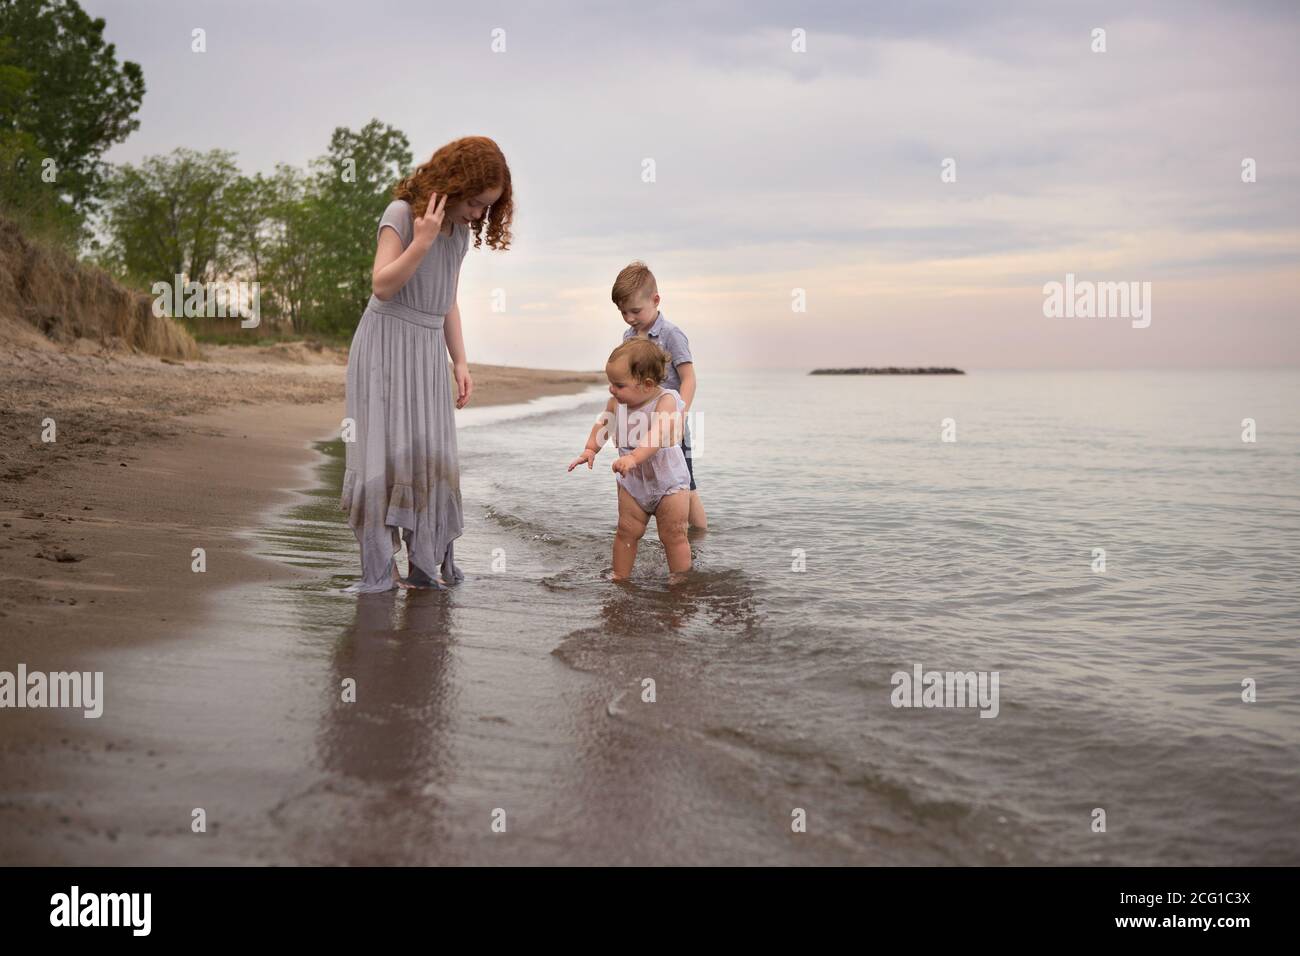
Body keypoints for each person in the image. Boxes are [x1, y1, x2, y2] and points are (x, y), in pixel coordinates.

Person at [339, 136, 513, 592]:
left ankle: (423, 568)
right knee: (384, 454)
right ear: (454, 186)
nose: (478, 214)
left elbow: (448, 300)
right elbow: (381, 284)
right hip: (385, 345)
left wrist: (461, 362)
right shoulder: (401, 214)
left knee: (428, 455)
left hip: (428, 347)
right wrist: (422, 241)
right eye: (475, 202)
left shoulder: (461, 235)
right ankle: (379, 572)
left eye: (487, 208)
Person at [569, 338, 692, 581]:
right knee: (626, 530)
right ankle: (619, 576)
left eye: (619, 384)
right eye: (610, 383)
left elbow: (657, 435)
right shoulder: (616, 403)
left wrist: (635, 457)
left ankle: (680, 580)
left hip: (668, 480)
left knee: (674, 535)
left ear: (646, 384)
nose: (612, 390)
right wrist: (590, 449)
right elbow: (603, 425)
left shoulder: (665, 401)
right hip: (633, 481)